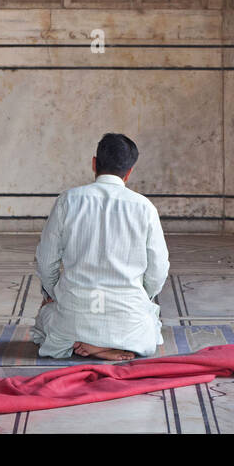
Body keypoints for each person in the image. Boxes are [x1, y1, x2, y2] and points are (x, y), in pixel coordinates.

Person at [30, 132, 170, 362]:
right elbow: (158, 270)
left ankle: (87, 343)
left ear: (94, 163)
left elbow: (46, 261)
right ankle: (107, 344)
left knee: (46, 317)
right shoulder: (145, 207)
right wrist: (140, 297)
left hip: (74, 319)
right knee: (148, 323)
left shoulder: (68, 200)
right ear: (129, 172)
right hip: (129, 323)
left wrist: (53, 294)